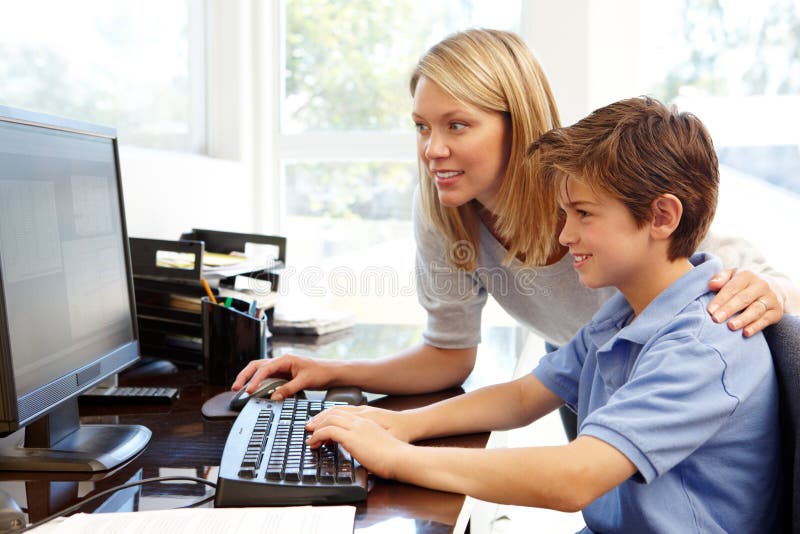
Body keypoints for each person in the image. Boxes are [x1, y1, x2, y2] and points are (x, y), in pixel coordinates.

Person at [233, 28, 797, 407]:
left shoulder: (593, 185)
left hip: (673, 379)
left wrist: (770, 289)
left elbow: (743, 269)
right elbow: (449, 354)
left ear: (517, 121)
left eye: (456, 125)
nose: (431, 150)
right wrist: (335, 372)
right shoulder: (446, 210)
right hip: (584, 369)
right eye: (421, 127)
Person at [305, 96, 779, 532]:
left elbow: (574, 479)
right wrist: (402, 424)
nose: (565, 235)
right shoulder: (624, 315)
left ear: (661, 217)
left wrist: (395, 458)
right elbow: (523, 397)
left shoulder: (701, 346)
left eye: (583, 214)